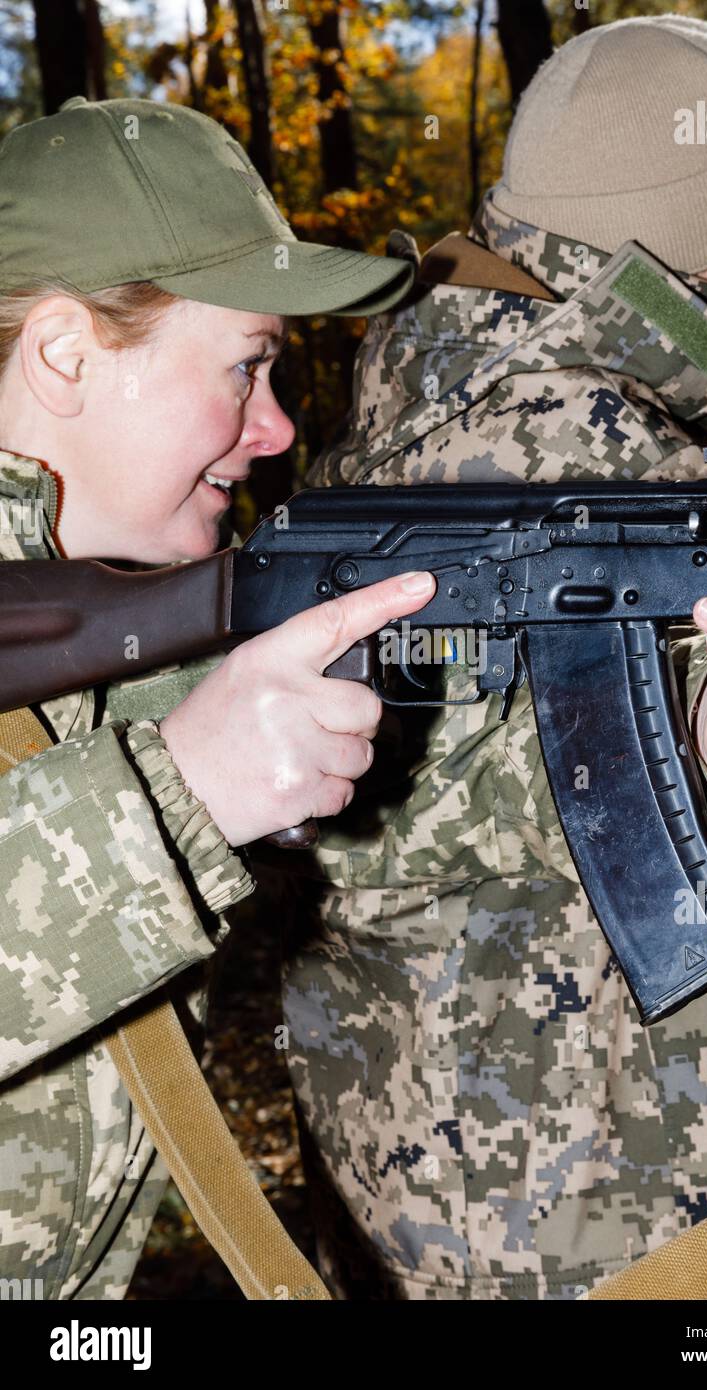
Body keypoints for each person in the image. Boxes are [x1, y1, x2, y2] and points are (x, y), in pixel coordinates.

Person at [278, 15, 707, 1299]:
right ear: (678, 259)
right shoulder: (575, 443)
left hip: (429, 1134)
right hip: (584, 1176)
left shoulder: (437, 372)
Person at [0, 94, 435, 1300]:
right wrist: (173, 792)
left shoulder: (125, 631)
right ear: (64, 354)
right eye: (247, 365)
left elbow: (440, 797)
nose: (277, 428)